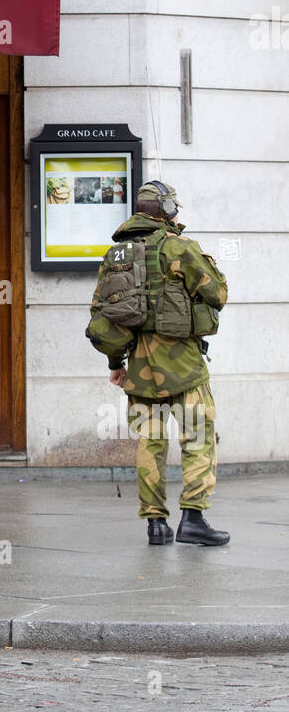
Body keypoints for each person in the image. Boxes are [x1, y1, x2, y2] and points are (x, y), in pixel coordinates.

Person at [87, 181, 229, 546]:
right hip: (184, 365)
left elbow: (103, 316)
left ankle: (155, 524)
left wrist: (114, 364)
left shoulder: (115, 255)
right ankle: (193, 519)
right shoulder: (178, 247)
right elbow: (218, 292)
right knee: (197, 436)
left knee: (149, 442)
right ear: (165, 210)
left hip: (136, 363)